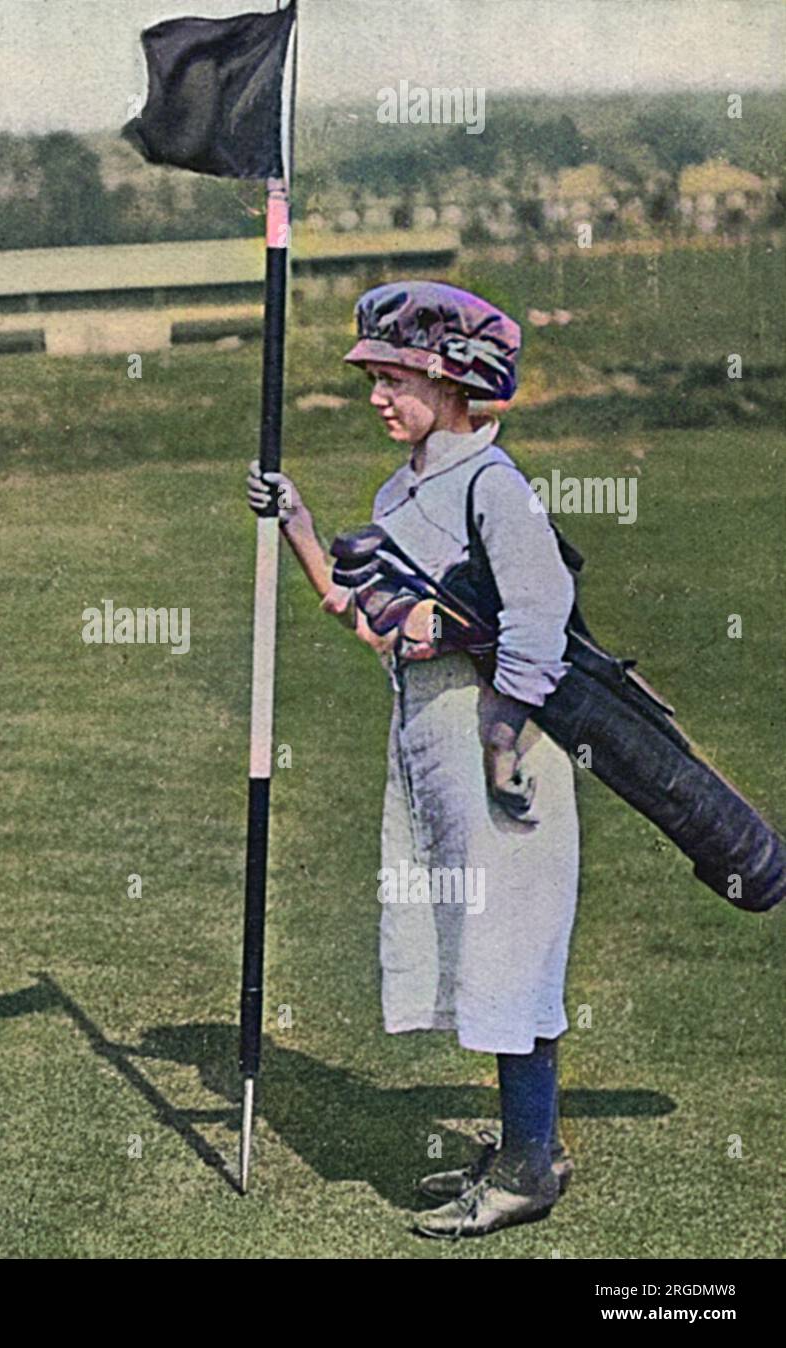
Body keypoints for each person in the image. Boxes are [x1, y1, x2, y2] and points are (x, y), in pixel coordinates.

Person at [247, 281, 580, 1238]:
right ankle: (532, 1146)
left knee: (511, 948)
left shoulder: (493, 486)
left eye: (395, 379)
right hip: (432, 744)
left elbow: (539, 616)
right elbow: (371, 622)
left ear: (456, 381)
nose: (378, 398)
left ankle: (526, 1167)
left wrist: (503, 734)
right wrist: (302, 524)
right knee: (481, 948)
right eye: (375, 380)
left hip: (496, 751)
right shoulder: (407, 490)